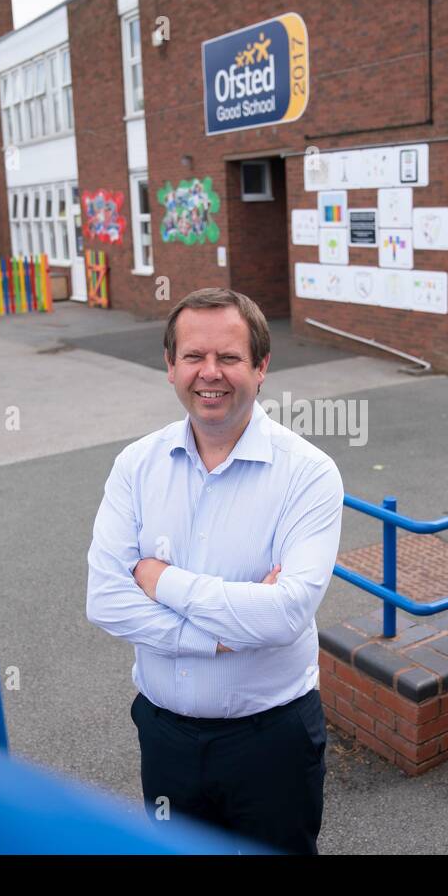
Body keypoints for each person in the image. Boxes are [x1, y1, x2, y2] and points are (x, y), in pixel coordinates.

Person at [85, 287, 344, 854]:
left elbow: (286, 614)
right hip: (165, 736)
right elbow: (104, 600)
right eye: (194, 357)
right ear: (170, 366)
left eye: (229, 358)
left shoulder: (309, 475)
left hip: (272, 740)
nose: (211, 374)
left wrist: (160, 581)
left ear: (261, 367)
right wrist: (219, 637)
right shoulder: (135, 466)